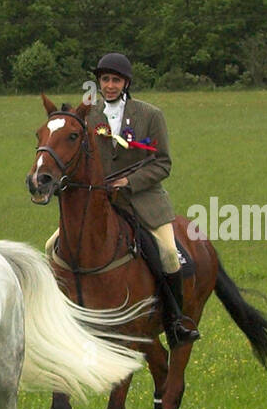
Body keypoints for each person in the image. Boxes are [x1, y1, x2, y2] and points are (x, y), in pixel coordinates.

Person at [50, 52, 199, 347]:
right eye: (104, 79)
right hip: (99, 205)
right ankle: (60, 317)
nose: (109, 85)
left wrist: (129, 182)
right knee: (50, 247)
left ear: (126, 83)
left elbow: (162, 163)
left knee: (169, 253)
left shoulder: (150, 115)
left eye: (115, 80)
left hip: (144, 202)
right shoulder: (87, 116)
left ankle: (175, 321)